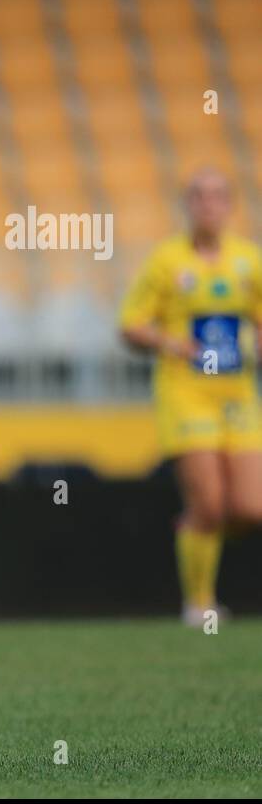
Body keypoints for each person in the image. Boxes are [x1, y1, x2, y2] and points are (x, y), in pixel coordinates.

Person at [119, 168, 262, 625]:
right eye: (199, 197)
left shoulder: (248, 261)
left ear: (230, 206)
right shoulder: (167, 262)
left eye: (218, 197)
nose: (209, 206)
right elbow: (132, 326)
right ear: (189, 206)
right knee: (211, 504)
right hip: (186, 395)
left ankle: (195, 531)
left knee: (249, 507)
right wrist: (172, 344)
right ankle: (199, 604)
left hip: (237, 396)